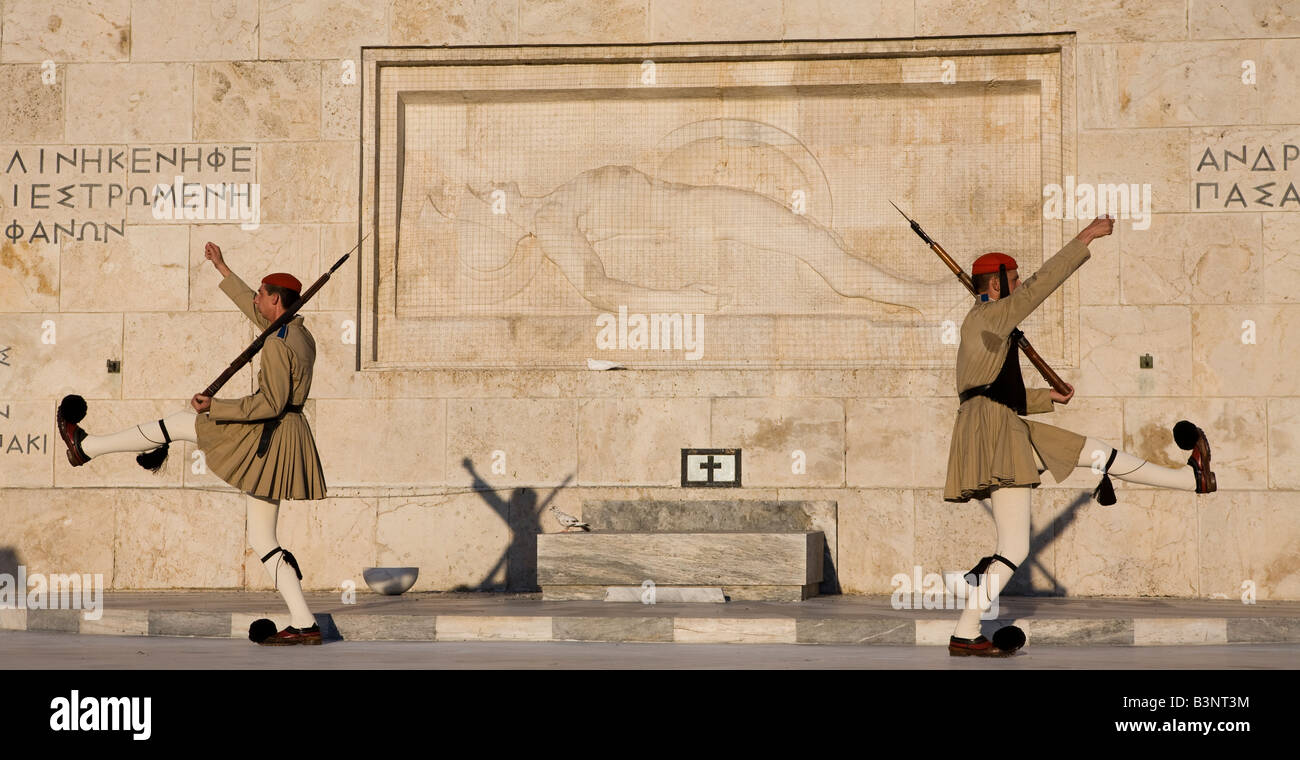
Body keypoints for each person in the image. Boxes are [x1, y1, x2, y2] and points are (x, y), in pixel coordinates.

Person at [944, 216, 1216, 657]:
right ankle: (965, 631)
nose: (1017, 284)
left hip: (1002, 425)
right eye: (1011, 279)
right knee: (1015, 543)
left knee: (1096, 456)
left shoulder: (984, 322)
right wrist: (1084, 239)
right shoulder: (989, 317)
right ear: (995, 286)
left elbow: (989, 390)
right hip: (997, 433)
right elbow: (1039, 287)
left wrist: (1046, 397)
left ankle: (1194, 479)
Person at [56, 242, 328, 646]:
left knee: (187, 421)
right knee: (264, 539)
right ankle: (305, 624)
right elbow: (257, 317)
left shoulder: (276, 342)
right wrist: (222, 268)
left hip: (269, 436)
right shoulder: (297, 333)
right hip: (286, 435)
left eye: (260, 293)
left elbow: (269, 402)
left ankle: (87, 447)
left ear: (275, 298)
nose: (255, 299)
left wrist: (214, 405)